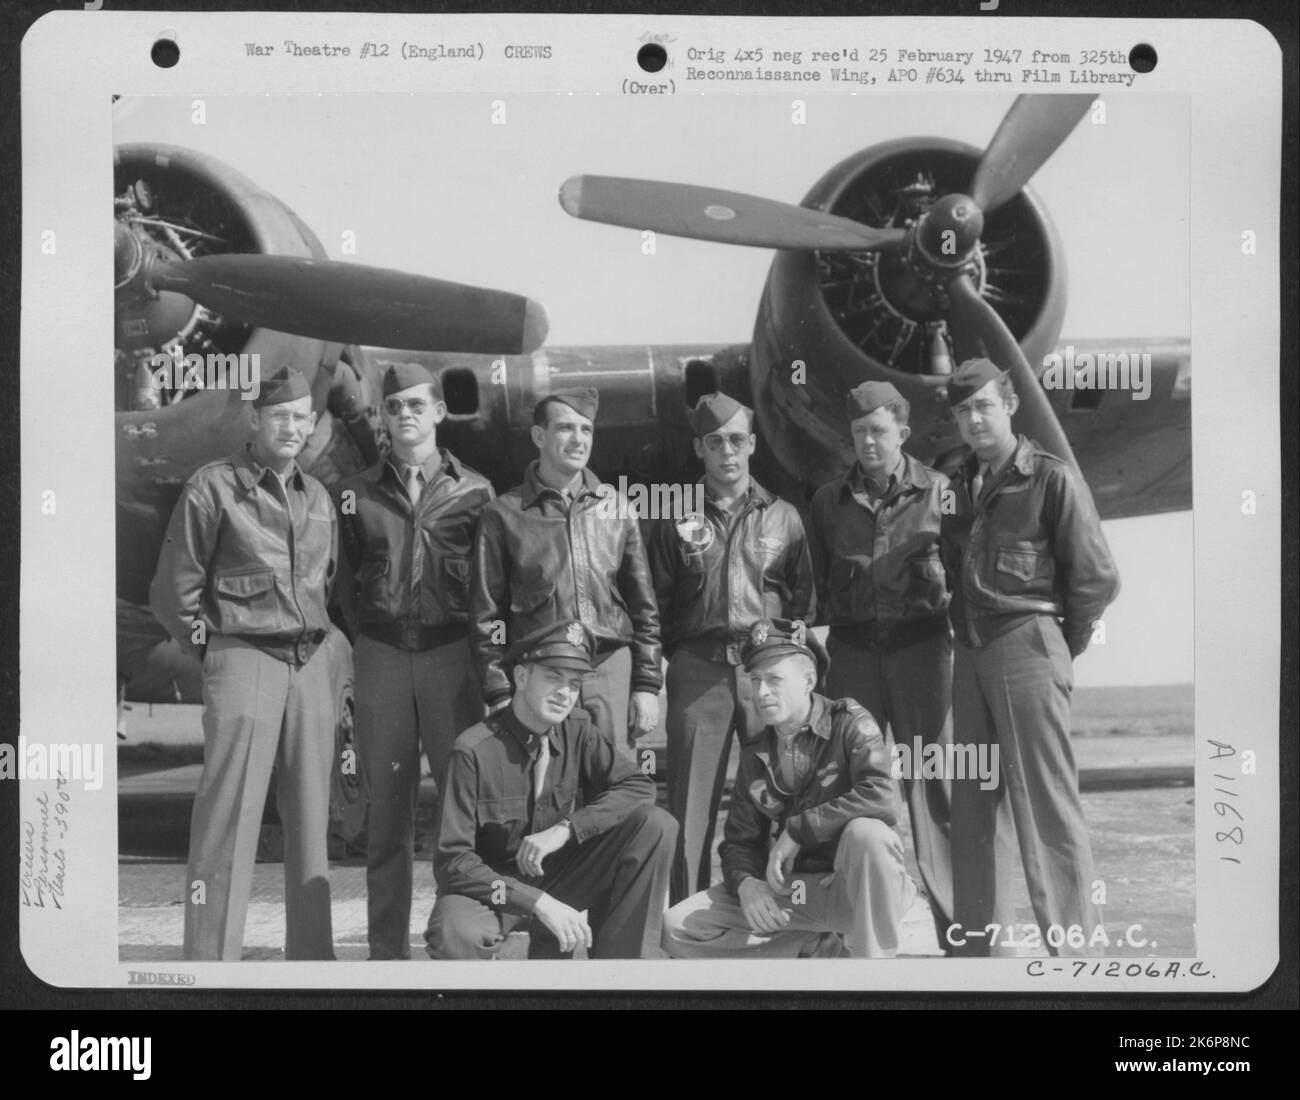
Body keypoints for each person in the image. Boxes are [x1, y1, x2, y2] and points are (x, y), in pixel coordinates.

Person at [150, 367, 338, 961]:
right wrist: (216, 651)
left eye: (301, 417)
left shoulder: (320, 496)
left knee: (312, 825)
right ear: (254, 419)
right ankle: (210, 963)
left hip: (309, 665)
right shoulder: (214, 486)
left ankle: (313, 964)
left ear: (312, 425)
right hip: (243, 656)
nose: (291, 426)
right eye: (279, 415)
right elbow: (172, 593)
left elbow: (327, 586)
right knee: (227, 821)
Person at [939, 357, 1120, 957]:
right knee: (972, 807)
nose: (973, 419)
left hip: (1027, 644)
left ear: (1011, 405)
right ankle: (977, 952)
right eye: (963, 410)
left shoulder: (1050, 477)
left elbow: (1096, 576)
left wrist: (1058, 646)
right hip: (970, 654)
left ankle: (1075, 955)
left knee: (1044, 804)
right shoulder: (956, 483)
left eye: (984, 405)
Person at [334, 361, 494, 960]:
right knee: (386, 815)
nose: (405, 415)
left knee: (462, 815)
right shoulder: (353, 492)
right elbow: (342, 582)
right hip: (380, 659)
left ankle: (465, 940)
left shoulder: (476, 491)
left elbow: (488, 585)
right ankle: (385, 955)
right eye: (394, 406)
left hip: (451, 659)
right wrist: (366, 644)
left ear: (438, 413)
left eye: (416, 406)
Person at [662, 620, 915, 959]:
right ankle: (818, 945)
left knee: (868, 834)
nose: (761, 692)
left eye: (774, 679)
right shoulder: (756, 751)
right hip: (797, 893)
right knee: (677, 927)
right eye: (755, 680)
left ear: (808, 680)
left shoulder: (849, 723)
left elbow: (881, 797)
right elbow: (739, 842)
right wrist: (748, 885)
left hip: (854, 888)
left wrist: (798, 830)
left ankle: (874, 972)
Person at [646, 392, 814, 903]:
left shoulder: (783, 516)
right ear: (700, 447)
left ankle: (785, 913)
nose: (728, 452)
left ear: (753, 444)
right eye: (716, 441)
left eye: (737, 440)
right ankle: (687, 919)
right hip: (699, 672)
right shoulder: (672, 516)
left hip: (765, 672)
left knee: (784, 793)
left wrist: (784, 668)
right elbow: (654, 602)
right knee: (691, 808)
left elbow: (803, 604)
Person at [425, 620, 677, 959]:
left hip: (560, 876)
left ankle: (619, 976)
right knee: (457, 933)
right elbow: (453, 862)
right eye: (553, 677)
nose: (565, 693)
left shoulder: (578, 729)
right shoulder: (473, 750)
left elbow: (638, 787)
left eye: (574, 683)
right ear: (522, 677)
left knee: (656, 825)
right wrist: (536, 902)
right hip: (494, 889)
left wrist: (567, 829)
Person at [806, 380, 954, 944]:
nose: (868, 442)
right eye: (860, 433)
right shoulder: (827, 501)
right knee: (845, 786)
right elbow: (811, 590)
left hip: (922, 655)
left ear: (904, 434)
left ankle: (958, 930)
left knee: (935, 787)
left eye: (879, 431)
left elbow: (962, 573)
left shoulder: (940, 491)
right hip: (854, 655)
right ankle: (843, 932)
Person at [468, 387, 662, 760]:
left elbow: (644, 608)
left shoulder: (617, 508)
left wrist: (647, 685)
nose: (578, 440)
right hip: (541, 676)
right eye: (566, 428)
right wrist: (498, 690)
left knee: (615, 793)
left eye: (586, 430)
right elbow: (486, 615)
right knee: (545, 795)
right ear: (539, 436)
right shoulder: (503, 515)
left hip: (608, 670)